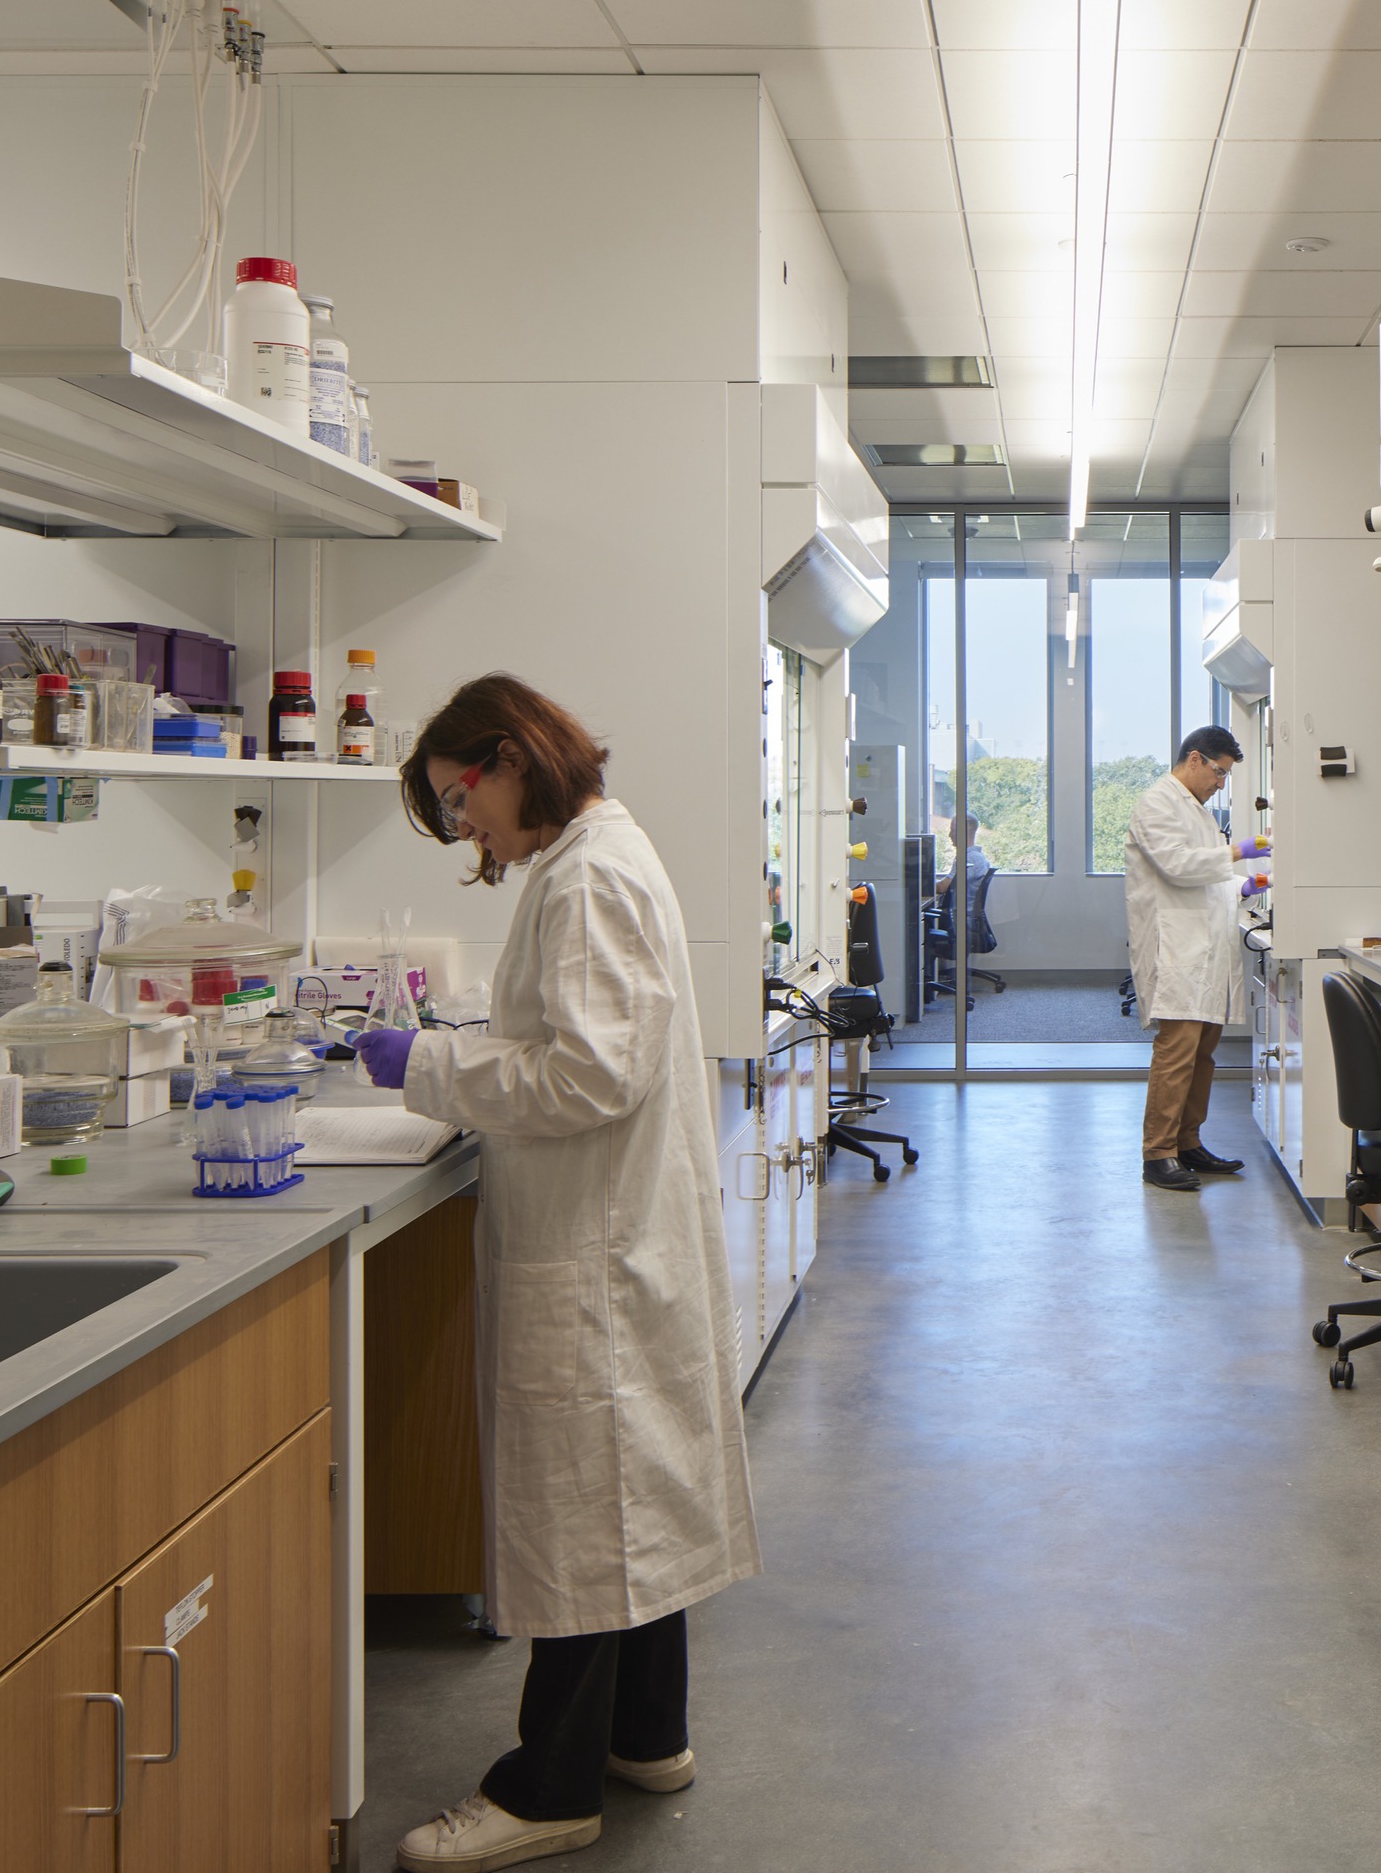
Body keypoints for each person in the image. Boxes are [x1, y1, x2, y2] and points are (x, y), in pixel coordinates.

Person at [359, 674, 759, 1872]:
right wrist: (467, 1050)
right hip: (612, 1236)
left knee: (585, 1510)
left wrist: (429, 1066)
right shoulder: (590, 855)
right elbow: (581, 1046)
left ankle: (548, 1786)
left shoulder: (589, 874)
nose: (465, 829)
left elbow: (588, 1076)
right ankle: (646, 1733)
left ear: (507, 756)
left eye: (457, 800)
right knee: (625, 1489)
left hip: (595, 1252)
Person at [1123, 725, 1272, 1192]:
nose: (1221, 783)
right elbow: (1179, 864)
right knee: (1176, 1053)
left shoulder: (1197, 810)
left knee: (1202, 1053)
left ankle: (1188, 1142)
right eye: (1219, 773)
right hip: (1176, 949)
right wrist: (1239, 851)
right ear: (1195, 759)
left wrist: (1245, 886)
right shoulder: (1157, 803)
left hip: (1203, 948)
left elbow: (1209, 878)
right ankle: (1158, 1153)